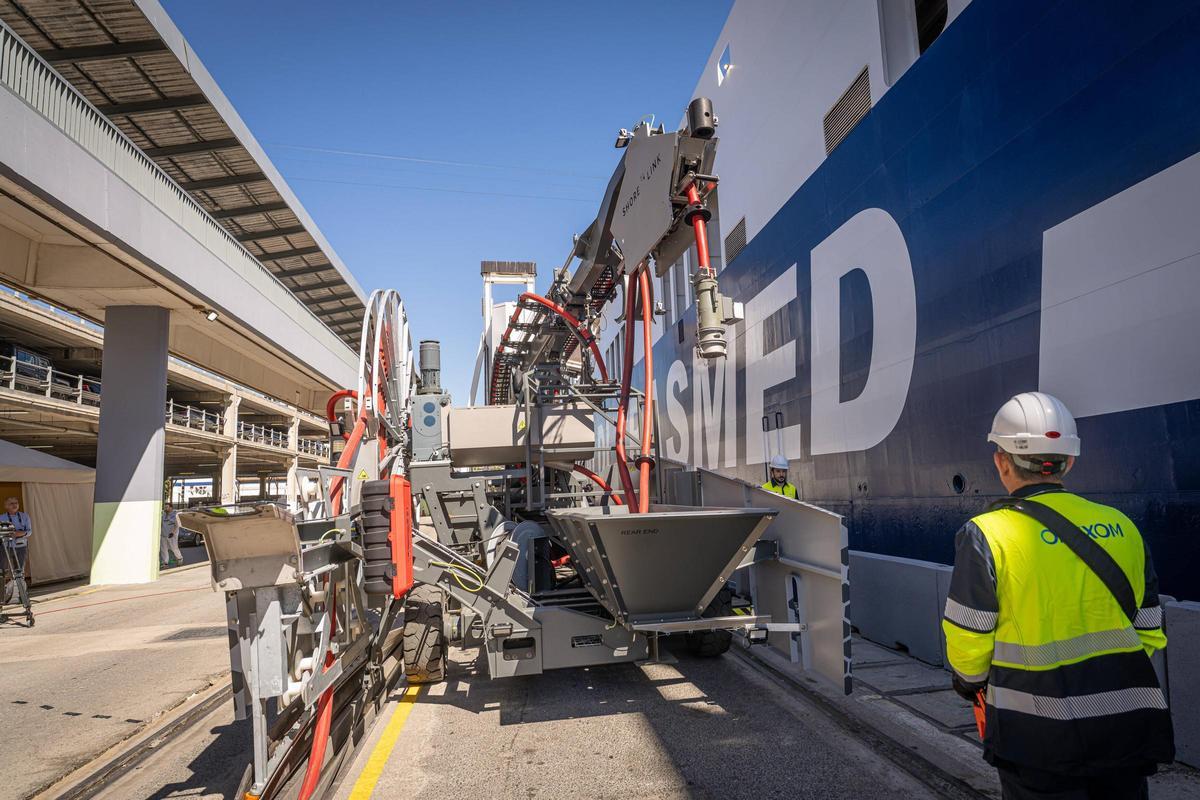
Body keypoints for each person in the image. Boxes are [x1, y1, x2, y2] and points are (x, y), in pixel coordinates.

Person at [942, 392, 1173, 799]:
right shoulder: (1122, 527)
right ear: (1069, 462)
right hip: (1124, 728)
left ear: (1002, 461)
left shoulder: (986, 534)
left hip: (1036, 737)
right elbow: (1150, 632)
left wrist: (971, 685)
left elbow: (968, 641)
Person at [1, 496, 30, 606]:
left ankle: (21, 595)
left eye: (16, 503)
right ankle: (3, 596)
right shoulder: (2, 517)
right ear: (6, 506)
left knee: (19, 571)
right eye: (11, 503)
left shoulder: (24, 516)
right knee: (2, 571)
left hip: (21, 546)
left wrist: (18, 533)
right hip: (5, 547)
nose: (14, 505)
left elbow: (29, 531)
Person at [160, 502, 182, 569]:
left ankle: (179, 558)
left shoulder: (175, 515)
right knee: (163, 549)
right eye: (165, 507)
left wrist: (173, 532)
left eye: (167, 507)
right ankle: (165, 563)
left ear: (171, 508)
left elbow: (177, 525)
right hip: (163, 534)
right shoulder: (163, 515)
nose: (165, 508)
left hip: (171, 535)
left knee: (174, 548)